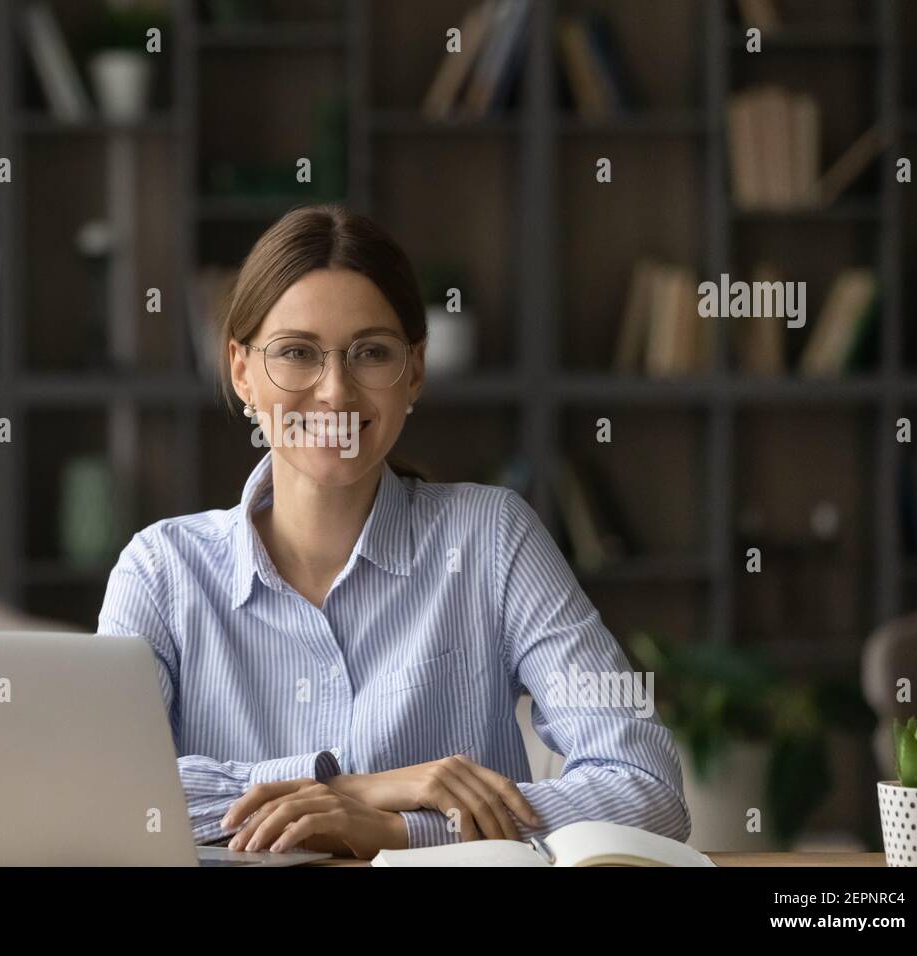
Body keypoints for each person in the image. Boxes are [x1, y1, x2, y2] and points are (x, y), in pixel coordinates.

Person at [97, 203, 690, 860]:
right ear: (242, 371)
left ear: (414, 370)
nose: (334, 393)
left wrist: (398, 829)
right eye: (296, 353)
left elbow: (648, 787)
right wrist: (355, 788)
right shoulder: (160, 569)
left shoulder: (493, 539)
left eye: (370, 353)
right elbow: (98, 793)